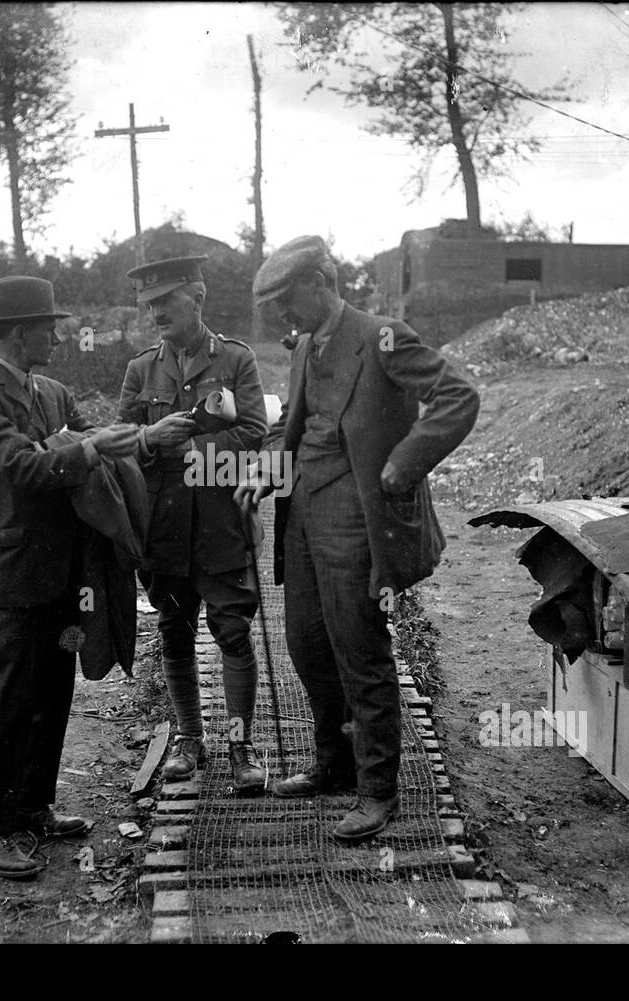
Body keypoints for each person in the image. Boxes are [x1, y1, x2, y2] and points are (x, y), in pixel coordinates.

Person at [235, 236, 480, 842]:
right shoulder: (304, 348)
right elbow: (291, 425)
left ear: (320, 283)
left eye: (289, 304)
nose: (283, 320)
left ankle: (376, 790)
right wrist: (269, 467)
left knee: (359, 652)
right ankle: (334, 761)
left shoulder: (382, 337)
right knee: (307, 645)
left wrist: (405, 461)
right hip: (304, 517)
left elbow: (459, 396)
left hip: (356, 523)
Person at [0, 275, 141, 879]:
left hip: (65, 575)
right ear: (17, 332)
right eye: (48, 326)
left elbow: (83, 436)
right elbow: (18, 467)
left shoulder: (53, 392)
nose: (58, 336)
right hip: (14, 577)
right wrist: (83, 451)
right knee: (11, 699)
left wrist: (98, 443)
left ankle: (33, 807)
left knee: (54, 692)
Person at [117, 255, 270, 792]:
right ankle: (188, 738)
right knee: (174, 631)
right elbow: (122, 445)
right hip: (163, 526)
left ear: (197, 298)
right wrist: (147, 441)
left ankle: (241, 746)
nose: (156, 312)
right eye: (150, 304)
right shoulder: (141, 369)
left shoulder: (234, 359)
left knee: (232, 631)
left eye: (166, 301)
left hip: (221, 520)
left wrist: (190, 449)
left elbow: (254, 429)